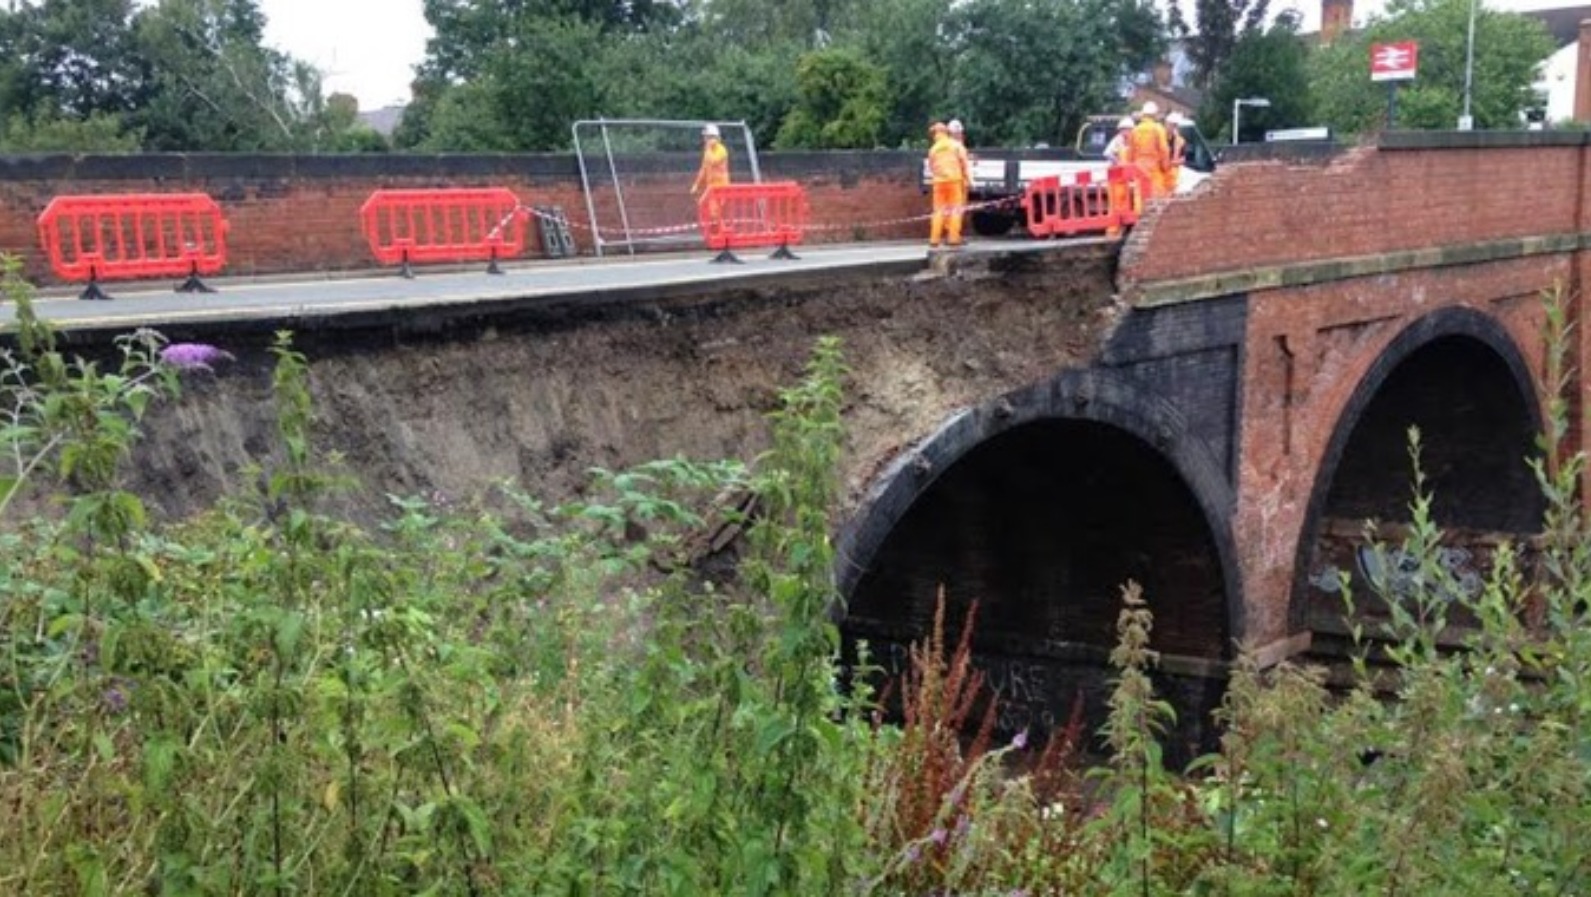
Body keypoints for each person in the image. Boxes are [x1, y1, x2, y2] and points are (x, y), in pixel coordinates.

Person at [926, 121, 969, 249]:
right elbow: (964, 163)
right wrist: (968, 179)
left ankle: (934, 239)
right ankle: (953, 238)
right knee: (955, 210)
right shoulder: (955, 145)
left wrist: (939, 176)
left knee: (938, 211)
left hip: (938, 183)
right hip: (954, 181)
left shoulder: (933, 149)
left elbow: (931, 166)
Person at [1126, 101, 1173, 200]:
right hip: (1154, 169)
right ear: (1155, 115)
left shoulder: (1135, 130)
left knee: (1140, 197)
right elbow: (1164, 150)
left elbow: (1130, 152)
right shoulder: (1158, 129)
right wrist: (1165, 167)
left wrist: (1130, 169)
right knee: (1156, 198)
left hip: (1139, 169)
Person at [692, 123, 731, 234]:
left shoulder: (721, 150)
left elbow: (714, 161)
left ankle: (720, 233)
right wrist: (696, 185)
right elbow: (703, 169)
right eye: (705, 137)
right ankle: (717, 232)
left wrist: (708, 149)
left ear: (716, 138)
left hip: (721, 186)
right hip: (711, 187)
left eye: (708, 137)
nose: (705, 140)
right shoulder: (708, 151)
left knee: (715, 211)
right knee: (710, 210)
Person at [947, 118, 973, 232]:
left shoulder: (944, 145)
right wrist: (970, 181)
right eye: (959, 132)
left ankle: (950, 230)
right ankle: (953, 233)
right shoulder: (957, 146)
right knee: (957, 208)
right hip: (957, 181)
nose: (960, 134)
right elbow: (964, 164)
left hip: (947, 181)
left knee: (949, 207)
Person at [1164, 111, 1189, 193]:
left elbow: (1183, 158)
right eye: (1171, 125)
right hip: (1161, 175)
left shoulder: (1181, 141)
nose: (1173, 127)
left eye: (1175, 125)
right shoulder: (1160, 138)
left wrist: (1174, 162)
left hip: (1173, 176)